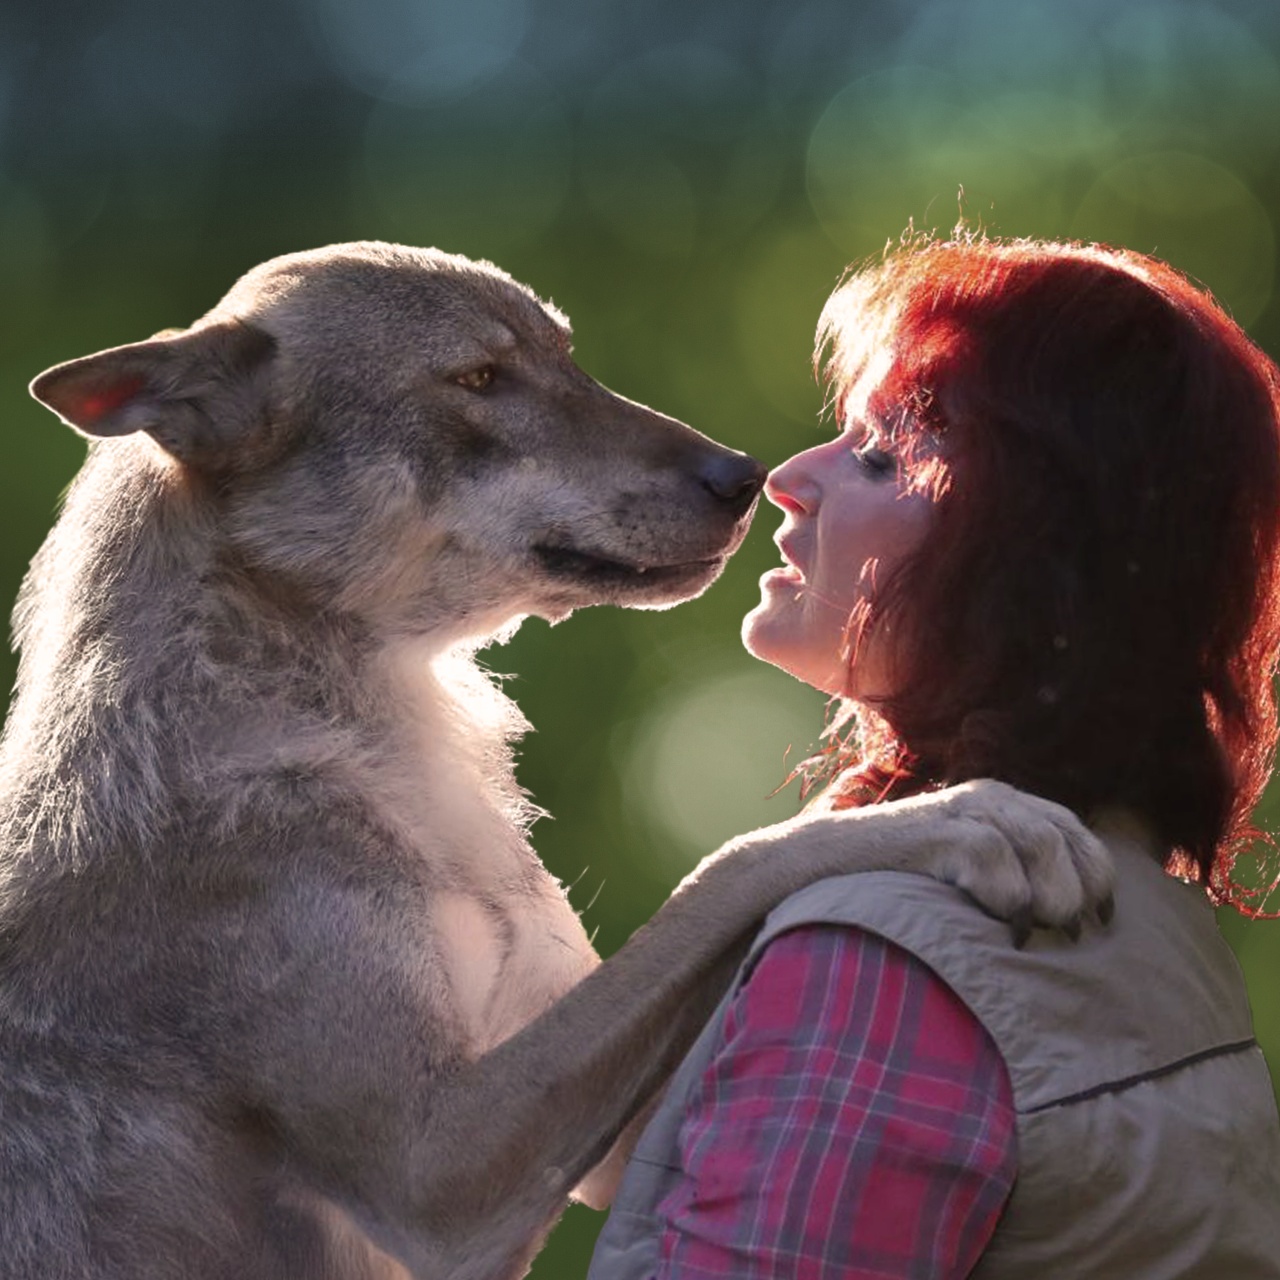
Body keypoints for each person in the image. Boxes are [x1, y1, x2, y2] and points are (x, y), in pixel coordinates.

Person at [586, 235, 1280, 1278]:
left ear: (1033, 561)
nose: (783, 478)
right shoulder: (1150, 908)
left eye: (882, 454)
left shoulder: (883, 954)